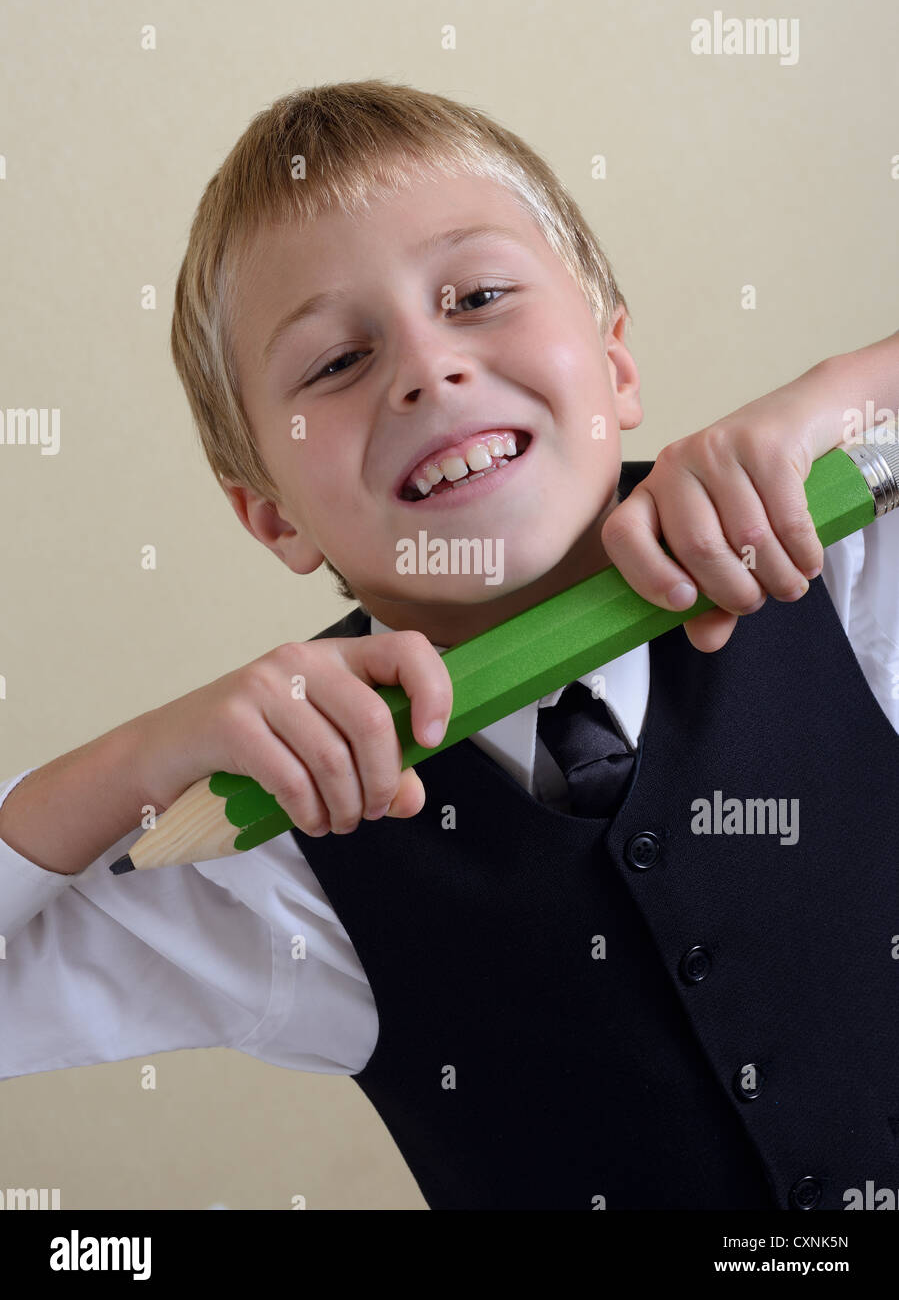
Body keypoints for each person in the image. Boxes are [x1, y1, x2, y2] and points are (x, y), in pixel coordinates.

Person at [2, 80, 898, 1210]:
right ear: (272, 514)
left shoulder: (852, 566)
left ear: (614, 365)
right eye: (335, 363)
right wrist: (136, 760)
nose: (427, 370)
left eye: (476, 294)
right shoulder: (276, 852)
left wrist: (845, 397)